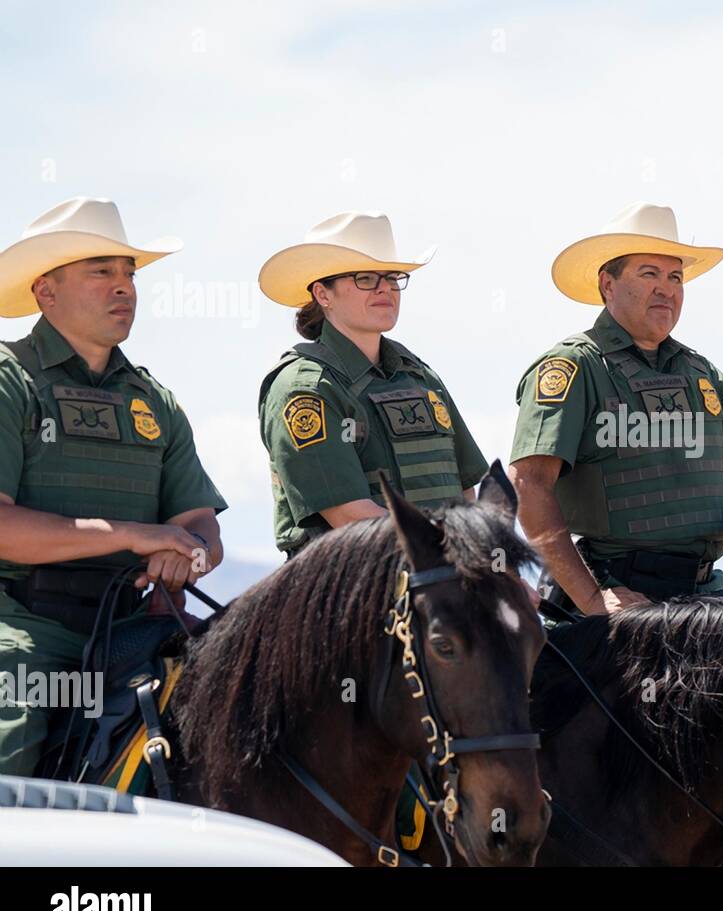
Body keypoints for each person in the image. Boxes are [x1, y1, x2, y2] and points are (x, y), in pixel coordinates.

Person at [0, 197, 227, 777]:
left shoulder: (155, 401)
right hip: (23, 630)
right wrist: (134, 535)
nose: (124, 287)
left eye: (129, 273)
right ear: (45, 291)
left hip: (135, 627)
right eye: (102, 271)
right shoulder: (11, 380)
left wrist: (186, 555)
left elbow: (201, 523)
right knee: (12, 738)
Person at [509, 202, 723, 615]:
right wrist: (592, 600)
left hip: (705, 599)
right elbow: (529, 485)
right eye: (649, 274)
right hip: (610, 598)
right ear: (608, 284)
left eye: (675, 277)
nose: (666, 288)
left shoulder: (706, 376)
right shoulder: (575, 366)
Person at [256, 212, 490, 558]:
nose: (386, 288)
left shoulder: (420, 377)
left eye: (392, 277)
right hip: (351, 587)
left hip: (443, 581)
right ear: (323, 293)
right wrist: (450, 553)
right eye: (366, 278)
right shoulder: (305, 387)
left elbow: (465, 488)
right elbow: (348, 514)